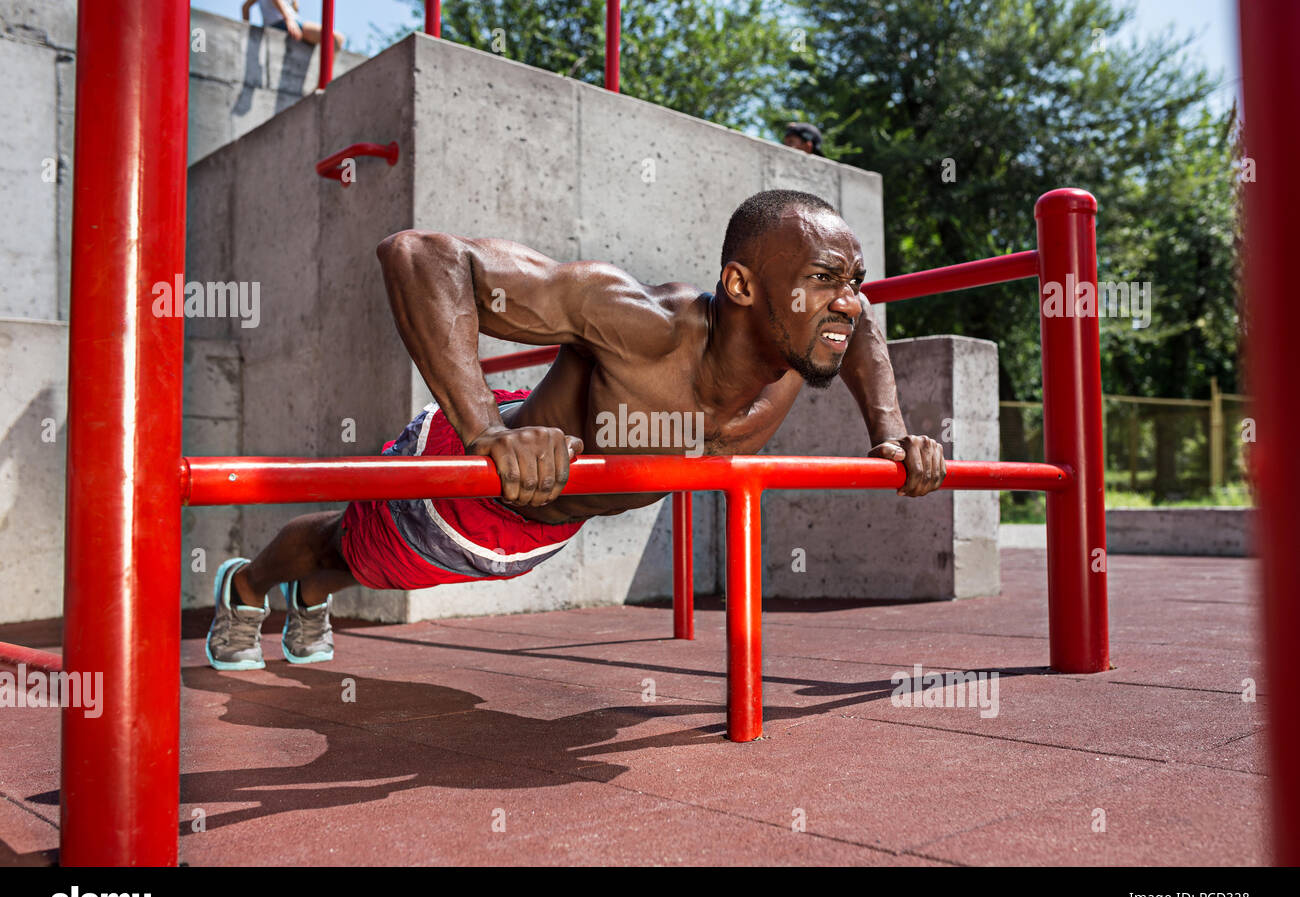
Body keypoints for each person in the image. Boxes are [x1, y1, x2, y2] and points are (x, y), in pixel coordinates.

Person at [204, 190, 947, 670]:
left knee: (357, 570)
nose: (847, 303)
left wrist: (889, 432)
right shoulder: (639, 323)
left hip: (546, 527)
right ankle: (247, 589)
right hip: (476, 488)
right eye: (824, 278)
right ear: (743, 285)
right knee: (344, 547)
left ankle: (308, 599)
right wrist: (486, 430)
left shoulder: (799, 346)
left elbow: (868, 333)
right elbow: (421, 254)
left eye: (853, 282)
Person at [241, 0, 345, 52]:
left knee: (337, 40)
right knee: (335, 38)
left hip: (292, 22)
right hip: (282, 23)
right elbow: (245, 8)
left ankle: (324, 82)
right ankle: (323, 84)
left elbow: (245, 8)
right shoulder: (287, 19)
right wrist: (288, 19)